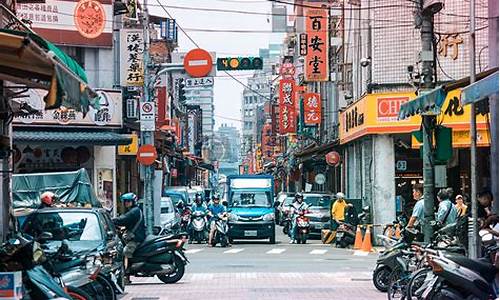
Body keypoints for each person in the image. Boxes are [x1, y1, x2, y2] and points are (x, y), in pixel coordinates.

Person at [113, 193, 146, 270]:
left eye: (128, 201)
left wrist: (111, 220)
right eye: (125, 201)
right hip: (136, 236)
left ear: (133, 202)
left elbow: (123, 219)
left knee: (125, 252)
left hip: (136, 238)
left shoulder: (134, 211)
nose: (126, 203)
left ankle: (126, 272)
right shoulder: (134, 210)